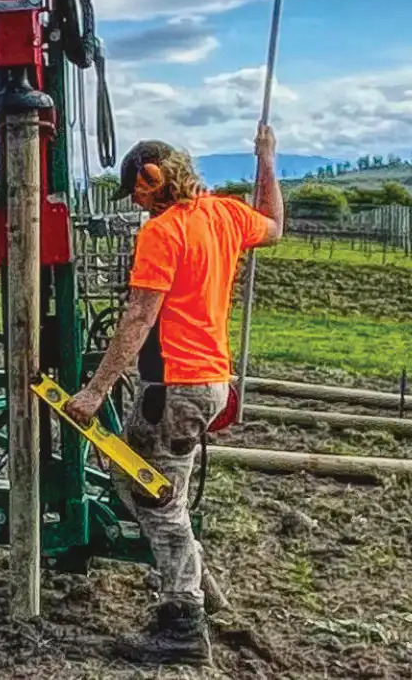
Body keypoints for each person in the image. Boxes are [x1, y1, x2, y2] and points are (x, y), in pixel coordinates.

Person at [66, 122, 284, 666]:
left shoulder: (163, 232)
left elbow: (140, 316)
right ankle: (205, 595)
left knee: (154, 500)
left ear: (152, 179)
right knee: (152, 487)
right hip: (211, 382)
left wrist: (97, 389)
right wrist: (267, 159)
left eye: (136, 191)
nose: (136, 202)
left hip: (174, 387)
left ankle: (183, 624)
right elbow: (276, 226)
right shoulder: (228, 215)